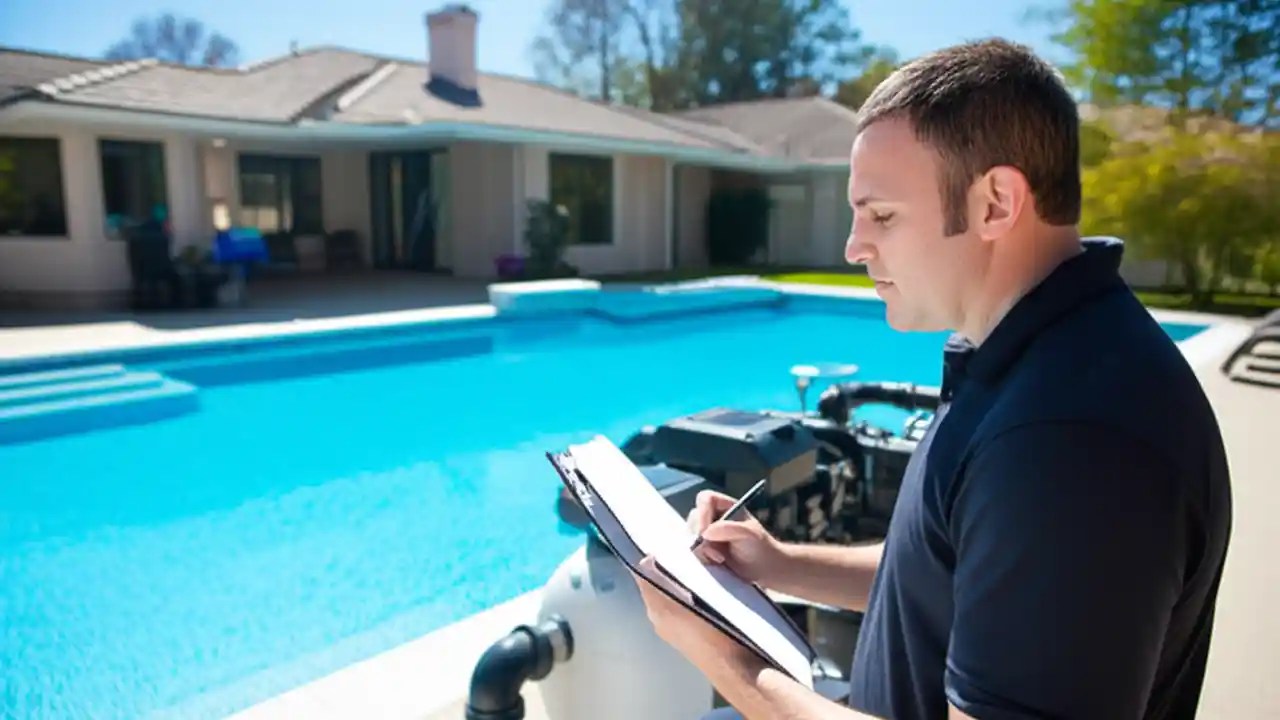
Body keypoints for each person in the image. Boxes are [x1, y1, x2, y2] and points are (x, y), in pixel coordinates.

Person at [631, 38, 1233, 720]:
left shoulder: (1069, 443)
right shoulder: (1031, 359)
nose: (853, 247)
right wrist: (778, 564)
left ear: (997, 203)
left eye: (882, 215)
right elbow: (950, 571)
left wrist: (726, 660)